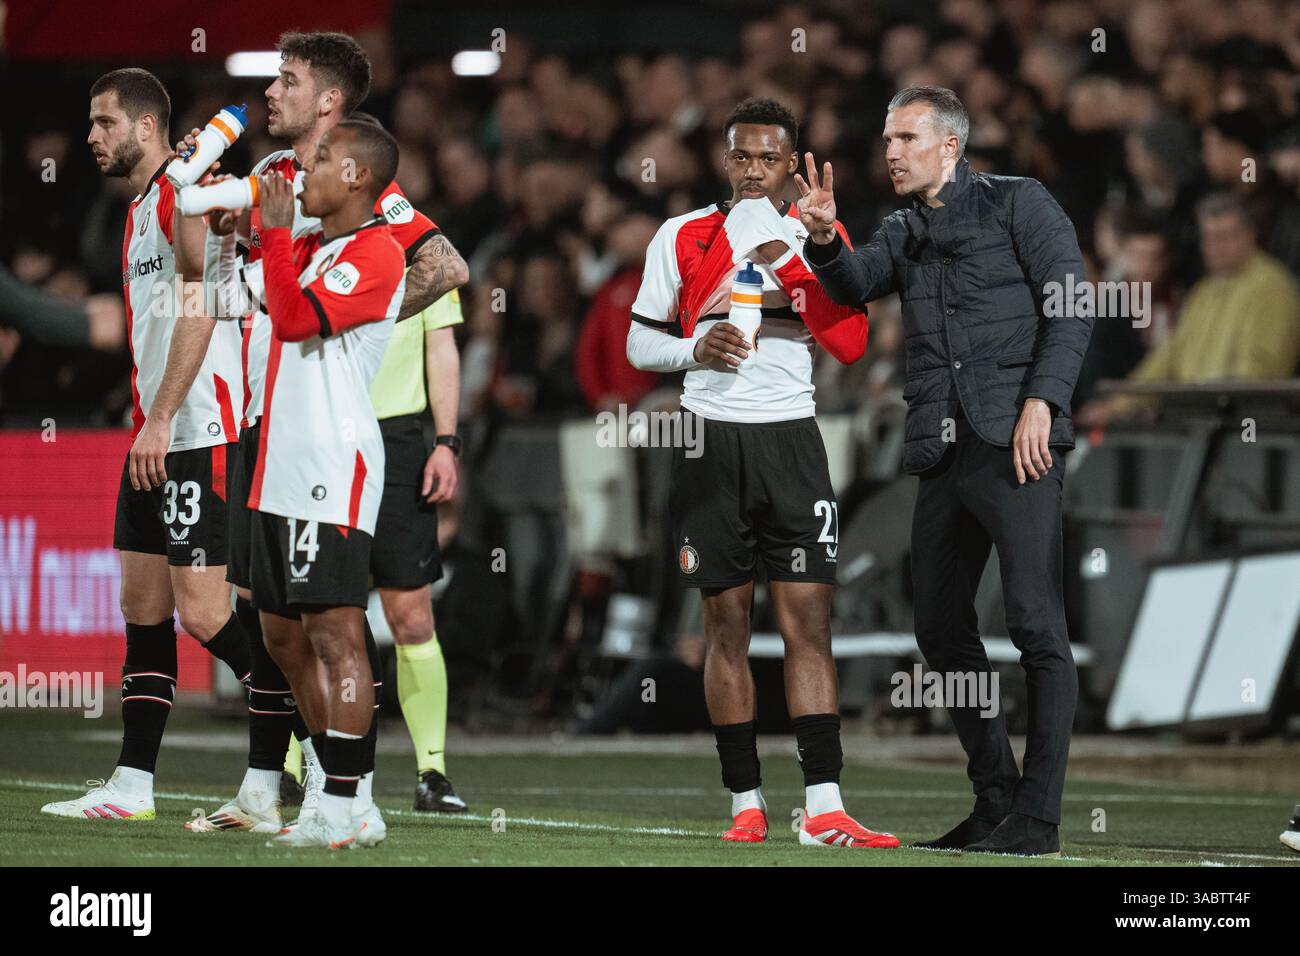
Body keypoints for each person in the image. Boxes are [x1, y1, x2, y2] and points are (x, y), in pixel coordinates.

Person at [800, 86, 1095, 856]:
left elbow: (1072, 305)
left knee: (1034, 623)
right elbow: (854, 284)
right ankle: (995, 800)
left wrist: (1043, 402)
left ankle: (1038, 817)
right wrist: (825, 241)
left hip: (1016, 443)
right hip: (941, 449)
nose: (890, 151)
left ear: (950, 146)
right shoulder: (903, 228)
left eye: (906, 137)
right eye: (887, 138)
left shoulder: (1019, 202)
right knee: (938, 630)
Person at [188, 32, 468, 837]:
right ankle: (304, 787)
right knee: (274, 628)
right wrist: (192, 198)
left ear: (330, 103)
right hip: (266, 429)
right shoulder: (285, 189)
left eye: (289, 79)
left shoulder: (373, 206)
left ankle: (356, 793)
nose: (272, 90)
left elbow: (445, 268)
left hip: (350, 431)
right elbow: (222, 280)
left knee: (356, 619)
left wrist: (364, 320)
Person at [627, 96, 898, 849]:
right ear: (726, 160)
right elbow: (638, 344)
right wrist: (693, 351)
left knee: (809, 620)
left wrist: (806, 250)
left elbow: (848, 346)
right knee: (727, 625)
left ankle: (824, 803)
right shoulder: (682, 236)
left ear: (792, 165)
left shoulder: (817, 235)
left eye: (768, 159)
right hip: (709, 442)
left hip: (791, 443)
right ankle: (745, 801)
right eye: (741, 156)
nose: (753, 170)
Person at [42, 68, 250, 821]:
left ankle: (315, 740)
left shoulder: (186, 192)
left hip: (195, 430)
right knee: (142, 607)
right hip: (154, 434)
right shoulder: (137, 213)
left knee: (203, 613)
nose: (91, 137)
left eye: (103, 123)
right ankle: (133, 786)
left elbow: (200, 307)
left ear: (145, 126)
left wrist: (160, 419)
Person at [250, 120, 407, 848]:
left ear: (352, 175)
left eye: (313, 161)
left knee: (336, 631)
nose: (299, 173)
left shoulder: (376, 251)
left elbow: (291, 319)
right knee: (282, 635)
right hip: (277, 465)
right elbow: (237, 293)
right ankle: (328, 790)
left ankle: (347, 805)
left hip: (330, 467)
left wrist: (275, 234)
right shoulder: (313, 248)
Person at [1076, 192, 1300, 428]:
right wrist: (1117, 406)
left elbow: (1258, 375)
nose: (1214, 247)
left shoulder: (1272, 287)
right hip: (1195, 427)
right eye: (1207, 237)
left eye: (1223, 236)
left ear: (1249, 235)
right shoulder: (1202, 292)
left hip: (1241, 431)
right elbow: (1166, 361)